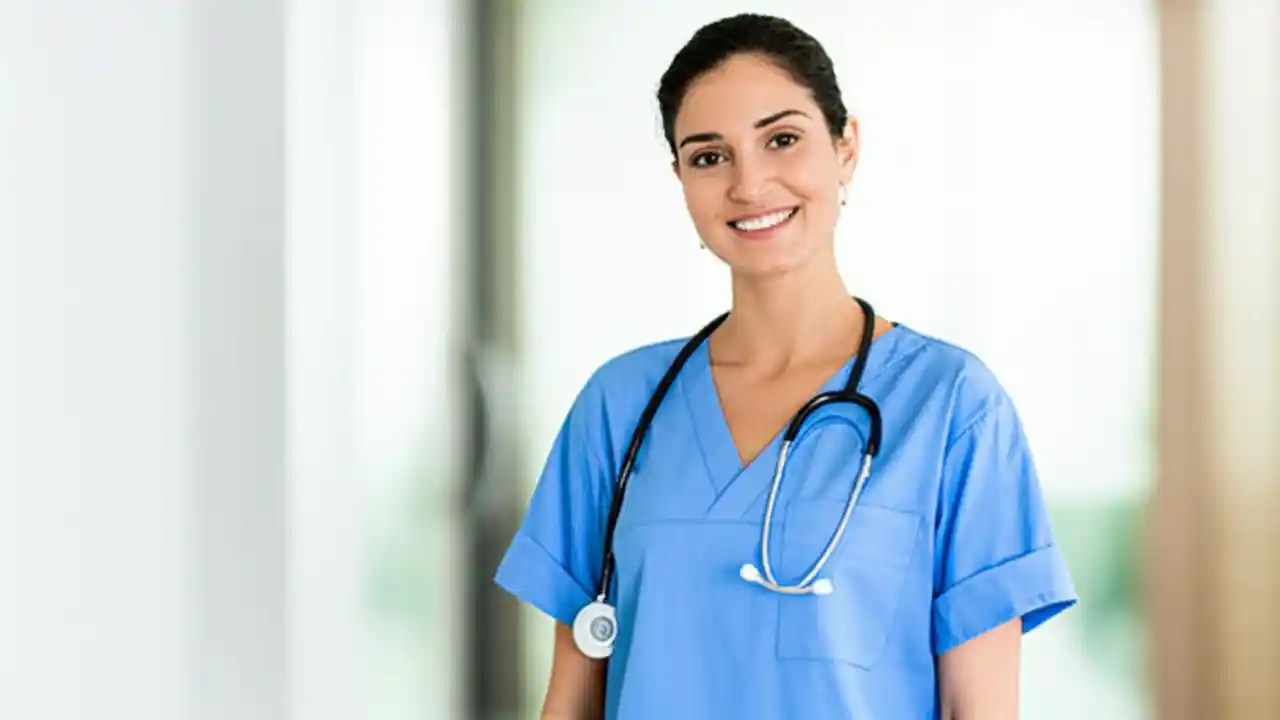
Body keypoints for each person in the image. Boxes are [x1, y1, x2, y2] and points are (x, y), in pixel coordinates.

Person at [494, 12, 1077, 719]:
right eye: (710, 157)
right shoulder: (620, 405)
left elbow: (978, 707)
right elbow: (570, 701)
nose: (749, 184)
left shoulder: (951, 405)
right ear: (680, 179)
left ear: (845, 147)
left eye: (782, 139)